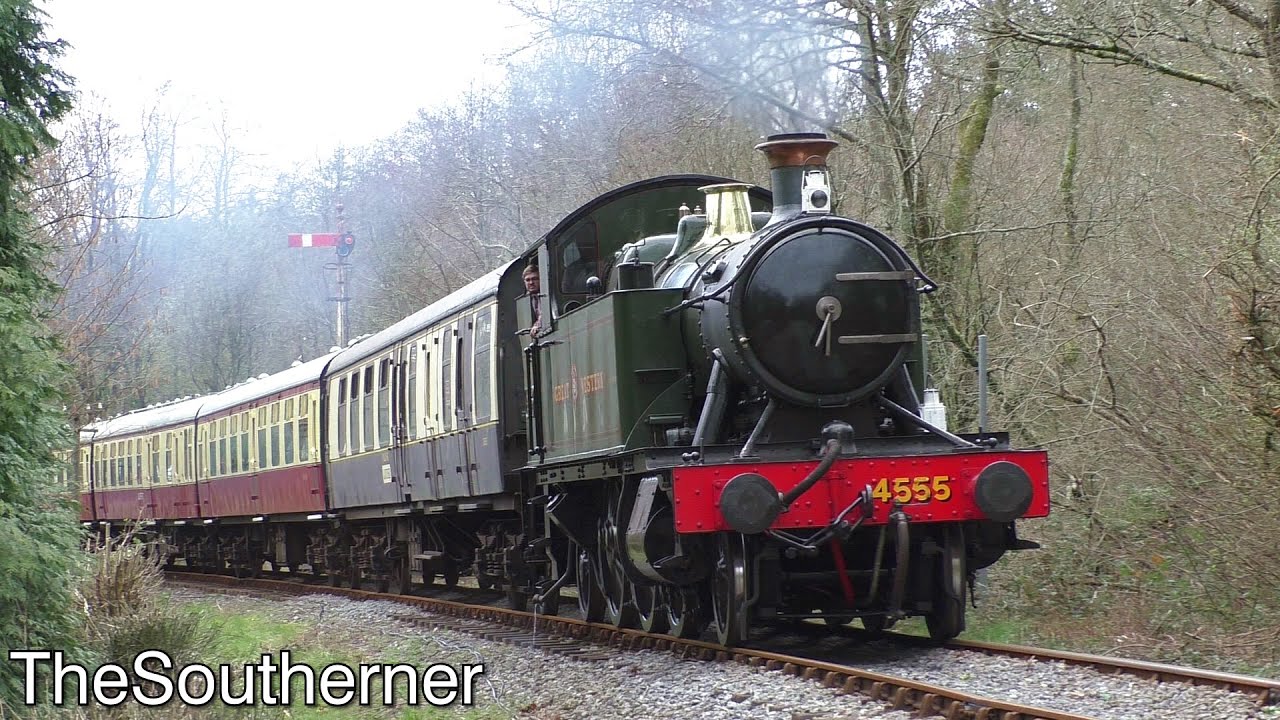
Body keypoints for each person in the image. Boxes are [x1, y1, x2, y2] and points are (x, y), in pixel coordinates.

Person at [523, 262, 542, 338]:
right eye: (528, 280)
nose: (531, 283)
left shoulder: (546, 294)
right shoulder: (529, 298)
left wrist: (537, 325)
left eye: (534, 279)